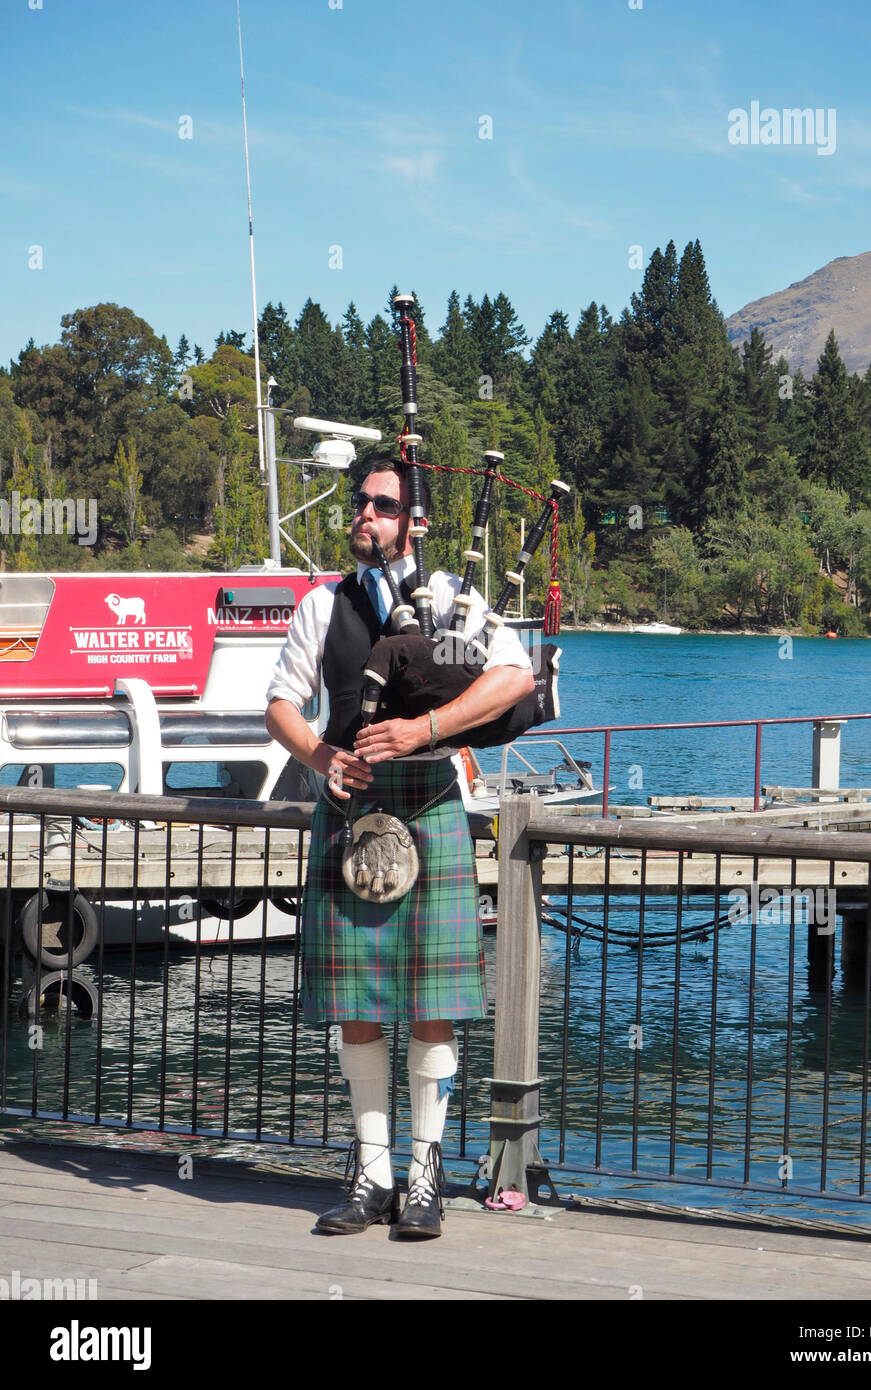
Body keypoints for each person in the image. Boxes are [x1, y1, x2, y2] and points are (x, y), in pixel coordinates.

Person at [265, 459, 534, 1239]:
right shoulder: (323, 605)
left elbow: (515, 678)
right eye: (360, 503)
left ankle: (424, 1177)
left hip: (430, 802)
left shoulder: (453, 598)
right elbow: (280, 705)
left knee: (431, 1007)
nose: (365, 514)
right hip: (348, 810)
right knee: (354, 1006)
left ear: (415, 521)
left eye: (382, 505)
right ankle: (372, 1176)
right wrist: (320, 755)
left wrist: (426, 729)